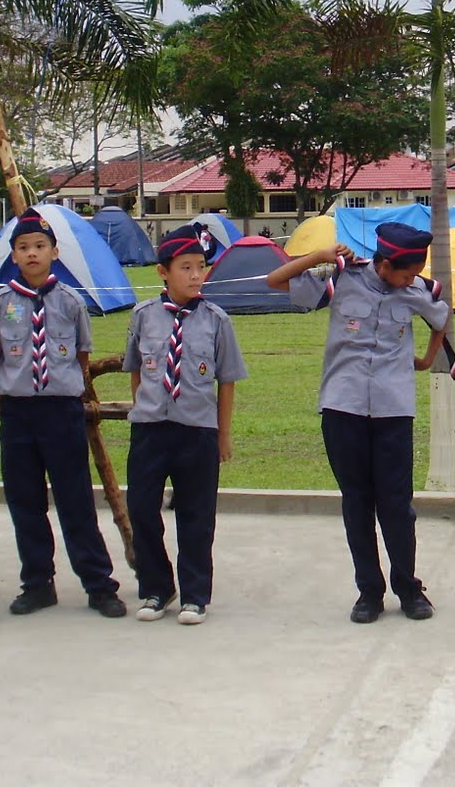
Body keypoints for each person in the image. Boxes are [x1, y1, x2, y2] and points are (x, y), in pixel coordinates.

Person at [265, 222, 450, 624]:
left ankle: (409, 588)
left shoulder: (416, 291)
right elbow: (275, 280)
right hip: (342, 408)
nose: (411, 280)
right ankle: (369, 592)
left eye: (416, 273)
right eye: (406, 273)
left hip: (393, 411)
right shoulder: (343, 280)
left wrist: (424, 359)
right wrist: (320, 256)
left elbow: (441, 318)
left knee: (397, 506)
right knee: (357, 502)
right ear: (384, 264)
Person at [0, 208, 126, 620]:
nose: (32, 253)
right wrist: (6, 398)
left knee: (75, 500)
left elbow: (81, 356)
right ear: (13, 255)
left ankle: (99, 584)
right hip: (18, 413)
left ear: (54, 252)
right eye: (23, 247)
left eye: (40, 246)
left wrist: (68, 392)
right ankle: (37, 584)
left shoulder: (71, 302)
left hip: (61, 411)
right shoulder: (0, 304)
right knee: (25, 502)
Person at [124, 223, 247, 625]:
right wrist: (143, 408)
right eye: (186, 268)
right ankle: (156, 588)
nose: (196, 276)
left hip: (197, 431)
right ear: (163, 272)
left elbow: (226, 381)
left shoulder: (216, 320)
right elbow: (136, 370)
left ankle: (195, 594)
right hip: (150, 429)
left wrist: (222, 435)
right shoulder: (143, 316)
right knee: (142, 509)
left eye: (201, 267)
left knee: (196, 515)